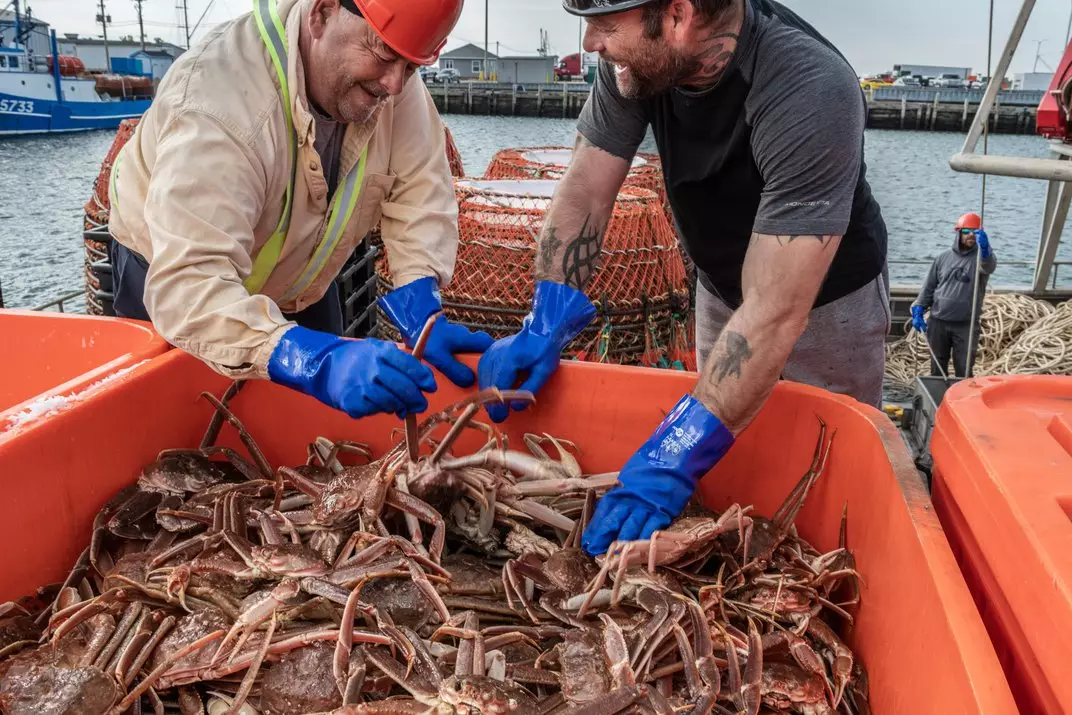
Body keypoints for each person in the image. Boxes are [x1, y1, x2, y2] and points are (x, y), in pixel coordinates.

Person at [476, 0, 890, 556]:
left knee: (818, 473)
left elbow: (775, 309)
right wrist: (546, 314)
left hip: (824, 305)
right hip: (720, 284)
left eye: (603, 26)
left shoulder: (809, 86)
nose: (592, 43)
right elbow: (586, 191)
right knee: (725, 461)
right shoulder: (636, 65)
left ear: (677, 15)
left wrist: (675, 453)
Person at [107, 0, 492, 421]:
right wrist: (316, 361)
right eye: (383, 56)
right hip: (174, 276)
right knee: (181, 424)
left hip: (302, 273)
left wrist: (420, 297)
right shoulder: (218, 102)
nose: (395, 84)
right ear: (322, 13)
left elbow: (419, 190)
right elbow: (189, 283)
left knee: (315, 427)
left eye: (413, 66)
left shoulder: (392, 79)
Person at [911, 212, 997, 379]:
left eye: (975, 231)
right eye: (966, 231)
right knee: (937, 368)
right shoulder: (942, 258)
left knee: (964, 369)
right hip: (938, 322)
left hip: (966, 324)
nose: (971, 234)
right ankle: (938, 400)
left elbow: (989, 266)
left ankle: (961, 401)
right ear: (958, 232)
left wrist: (986, 250)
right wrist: (919, 309)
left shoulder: (981, 258)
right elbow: (929, 286)